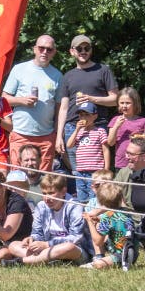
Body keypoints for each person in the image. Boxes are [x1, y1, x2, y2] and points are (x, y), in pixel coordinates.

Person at [55, 35, 118, 192]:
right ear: (72, 51)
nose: (83, 51)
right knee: (78, 174)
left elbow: (115, 99)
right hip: (72, 128)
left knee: (100, 177)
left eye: (87, 48)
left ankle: (100, 212)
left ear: (91, 50)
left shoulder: (103, 70)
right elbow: (63, 108)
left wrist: (91, 98)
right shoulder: (67, 76)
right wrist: (58, 135)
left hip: (97, 126)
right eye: (79, 48)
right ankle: (83, 212)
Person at [2, 35, 63, 171]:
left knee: (43, 182)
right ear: (35, 49)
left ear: (54, 52)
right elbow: (4, 99)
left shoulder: (57, 75)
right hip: (20, 133)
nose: (45, 52)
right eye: (41, 48)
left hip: (45, 136)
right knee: (18, 179)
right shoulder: (19, 69)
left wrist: (56, 134)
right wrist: (21, 101)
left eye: (49, 49)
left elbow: (59, 109)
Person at [7, 174, 91, 266]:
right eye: (44, 193)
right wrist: (32, 239)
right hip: (46, 249)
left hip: (75, 250)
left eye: (51, 193)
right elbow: (37, 233)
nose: (47, 198)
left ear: (63, 191)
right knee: (13, 245)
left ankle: (22, 262)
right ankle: (48, 260)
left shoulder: (75, 206)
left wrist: (47, 244)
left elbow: (76, 238)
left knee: (68, 247)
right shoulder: (41, 206)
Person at [83, 182, 134, 270]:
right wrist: (99, 220)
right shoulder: (127, 211)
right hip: (133, 253)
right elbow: (117, 223)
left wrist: (89, 221)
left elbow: (98, 241)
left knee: (98, 264)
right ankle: (101, 258)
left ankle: (98, 259)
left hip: (121, 256)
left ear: (101, 202)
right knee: (99, 227)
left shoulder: (107, 216)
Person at [65, 101, 109, 203]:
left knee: (94, 197)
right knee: (81, 198)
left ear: (95, 116)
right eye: (81, 115)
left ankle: (93, 216)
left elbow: (105, 150)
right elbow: (69, 145)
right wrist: (76, 130)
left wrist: (106, 169)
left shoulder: (100, 131)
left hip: (95, 171)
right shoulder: (79, 132)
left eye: (87, 115)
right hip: (80, 171)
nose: (83, 118)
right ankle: (84, 216)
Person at [107, 87, 145, 171]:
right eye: (122, 103)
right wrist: (116, 126)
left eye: (128, 103)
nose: (124, 106)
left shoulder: (142, 121)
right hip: (121, 164)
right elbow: (110, 143)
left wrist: (140, 138)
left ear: (135, 104)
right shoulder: (115, 120)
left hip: (138, 164)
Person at [17, 144, 44, 211]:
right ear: (21, 162)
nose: (30, 163)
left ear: (40, 160)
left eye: (33, 159)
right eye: (26, 160)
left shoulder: (49, 181)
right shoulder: (15, 183)